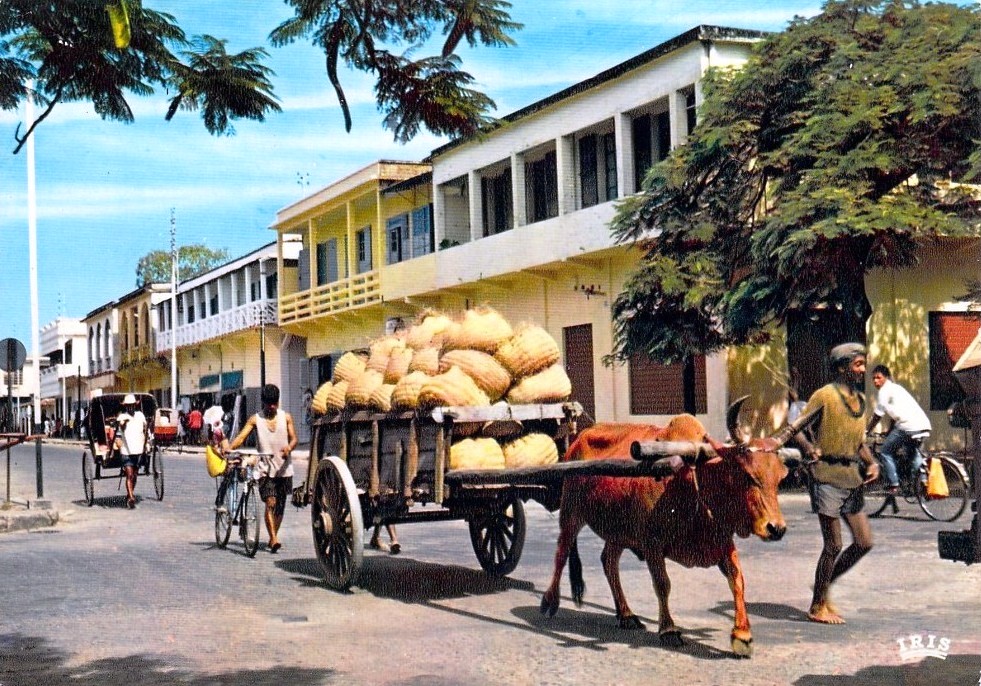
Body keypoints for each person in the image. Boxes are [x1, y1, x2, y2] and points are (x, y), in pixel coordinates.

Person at [794, 342, 880, 625]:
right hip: (826, 476)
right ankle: (817, 605)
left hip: (851, 478)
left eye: (863, 363)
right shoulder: (824, 396)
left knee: (864, 542)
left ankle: (823, 585)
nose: (863, 369)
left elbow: (859, 442)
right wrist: (809, 449)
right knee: (833, 545)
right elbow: (794, 430)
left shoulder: (861, 401)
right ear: (842, 367)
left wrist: (871, 462)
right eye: (857, 364)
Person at [227, 384, 297, 553]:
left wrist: (289, 448)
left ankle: (274, 535)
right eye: (268, 403)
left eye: (274, 403)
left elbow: (293, 438)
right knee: (270, 502)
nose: (272, 406)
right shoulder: (255, 419)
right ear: (263, 402)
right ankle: (273, 539)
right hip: (265, 468)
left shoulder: (286, 417)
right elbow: (242, 437)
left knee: (280, 506)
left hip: (284, 469)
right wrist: (230, 448)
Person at [866, 364, 932, 494]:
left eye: (878, 378)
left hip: (907, 426)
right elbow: (893, 415)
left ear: (886, 377)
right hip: (922, 425)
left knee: (885, 451)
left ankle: (893, 483)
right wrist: (890, 430)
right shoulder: (896, 389)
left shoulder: (884, 391)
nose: (875, 381)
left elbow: (877, 415)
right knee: (912, 452)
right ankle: (923, 482)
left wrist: (866, 430)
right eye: (873, 379)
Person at [116, 394, 148, 509]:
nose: (130, 408)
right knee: (129, 474)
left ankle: (129, 493)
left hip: (138, 450)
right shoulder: (122, 416)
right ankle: (131, 497)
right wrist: (124, 423)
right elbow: (121, 426)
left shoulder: (140, 415)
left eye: (132, 405)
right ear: (126, 406)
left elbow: (145, 428)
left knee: (134, 475)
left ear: (135, 405)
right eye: (128, 406)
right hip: (126, 451)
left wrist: (146, 442)